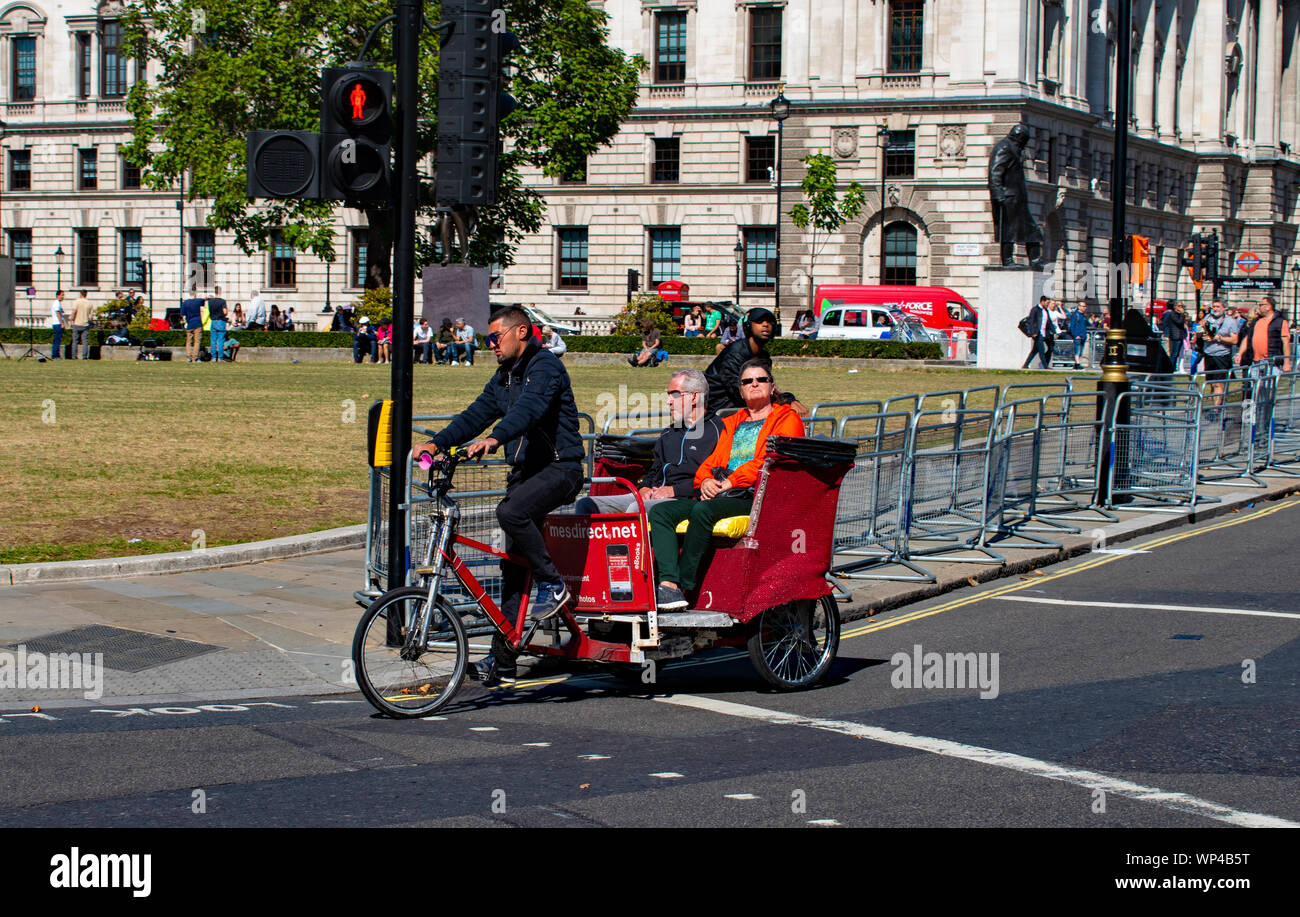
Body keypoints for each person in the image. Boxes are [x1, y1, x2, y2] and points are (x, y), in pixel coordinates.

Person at [415, 306, 585, 685]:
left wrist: (494, 439)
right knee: (512, 566)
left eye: (495, 337)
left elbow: (528, 411)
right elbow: (477, 413)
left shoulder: (545, 368)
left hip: (561, 468)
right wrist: (437, 442)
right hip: (526, 473)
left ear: (520, 331)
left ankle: (553, 585)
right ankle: (502, 659)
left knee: (510, 513)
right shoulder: (504, 376)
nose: (489, 345)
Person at [648, 360, 805, 609]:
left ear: (772, 387)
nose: (754, 384)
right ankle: (668, 585)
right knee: (661, 512)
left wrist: (730, 481)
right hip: (724, 494)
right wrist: (706, 480)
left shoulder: (787, 419)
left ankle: (686, 585)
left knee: (703, 510)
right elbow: (713, 459)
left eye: (761, 379)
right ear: (741, 391)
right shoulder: (733, 421)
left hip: (755, 495)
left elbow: (768, 462)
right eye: (747, 381)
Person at [579, 370, 724, 516]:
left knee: (636, 510)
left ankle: (632, 539)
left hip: (684, 499)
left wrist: (673, 490)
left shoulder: (719, 431)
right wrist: (644, 488)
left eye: (674, 394)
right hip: (654, 495)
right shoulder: (669, 433)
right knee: (587, 504)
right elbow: (654, 470)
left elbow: (717, 478)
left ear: (694, 397)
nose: (668, 401)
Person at [703, 306, 804, 414]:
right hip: (717, 411)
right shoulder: (735, 353)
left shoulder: (764, 358)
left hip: (740, 408)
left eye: (770, 322)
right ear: (748, 325)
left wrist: (790, 400)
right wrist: (786, 400)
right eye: (760, 322)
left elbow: (768, 389)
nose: (765, 325)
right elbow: (743, 393)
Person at [1235, 294, 1292, 374]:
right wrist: (1239, 354)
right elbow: (1247, 338)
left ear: (1268, 307)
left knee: (1269, 385)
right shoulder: (1256, 321)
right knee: (1255, 385)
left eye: (1261, 305)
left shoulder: (1280, 322)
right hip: (1255, 362)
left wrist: (1286, 363)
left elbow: (1286, 343)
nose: (1259, 307)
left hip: (1271, 362)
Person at [1201, 299, 1241, 405]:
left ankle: (1216, 409)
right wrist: (1201, 333)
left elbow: (1235, 340)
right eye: (1213, 306)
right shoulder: (1208, 318)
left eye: (1218, 307)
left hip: (1222, 355)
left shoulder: (1230, 321)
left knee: (1218, 384)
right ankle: (1216, 404)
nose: (1215, 309)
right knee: (1211, 383)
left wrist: (1218, 338)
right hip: (1209, 354)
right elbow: (1201, 333)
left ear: (1224, 308)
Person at [1021, 295, 1053, 370]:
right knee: (1041, 349)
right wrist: (1033, 332)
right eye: (1047, 303)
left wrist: (1054, 331)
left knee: (1035, 350)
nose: (1047, 305)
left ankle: (1025, 365)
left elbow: (1049, 322)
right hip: (1037, 333)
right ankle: (1045, 366)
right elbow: (1031, 321)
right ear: (1042, 301)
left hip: (1043, 333)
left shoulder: (1045, 311)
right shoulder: (1035, 310)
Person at [1161, 301, 1188, 371]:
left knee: (1178, 354)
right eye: (1179, 306)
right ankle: (1171, 368)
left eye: (1182, 306)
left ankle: (1174, 367)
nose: (1181, 308)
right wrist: (1182, 314)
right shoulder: (1172, 314)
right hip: (1175, 336)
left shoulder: (1179, 314)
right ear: (1175, 307)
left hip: (1180, 336)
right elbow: (1179, 322)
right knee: (1174, 353)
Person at [180, 292, 205, 362]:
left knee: (188, 342)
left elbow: (182, 314)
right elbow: (203, 301)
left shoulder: (185, 303)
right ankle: (195, 357)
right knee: (197, 342)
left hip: (189, 324)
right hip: (197, 323)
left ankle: (188, 357)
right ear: (195, 294)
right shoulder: (198, 301)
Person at [208, 286, 229, 365]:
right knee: (220, 340)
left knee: (213, 340)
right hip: (220, 321)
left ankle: (213, 357)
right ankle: (220, 357)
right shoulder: (222, 301)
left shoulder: (210, 301)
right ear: (220, 292)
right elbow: (225, 312)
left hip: (213, 321)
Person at [1067, 301, 1090, 369]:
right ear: (1079, 307)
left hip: (1083, 336)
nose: (1085, 308)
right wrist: (1075, 335)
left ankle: (1077, 364)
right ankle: (1077, 364)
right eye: (1083, 306)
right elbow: (1072, 326)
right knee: (1077, 350)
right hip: (1077, 336)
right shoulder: (1075, 315)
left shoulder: (1084, 316)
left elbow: (1086, 325)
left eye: (1085, 306)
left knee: (1081, 351)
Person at [50, 291, 66, 359]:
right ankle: (55, 355)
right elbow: (57, 313)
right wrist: (62, 323)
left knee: (58, 339)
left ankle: (56, 354)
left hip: (57, 323)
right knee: (57, 340)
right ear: (58, 295)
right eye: (62, 295)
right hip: (57, 323)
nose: (63, 297)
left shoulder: (58, 303)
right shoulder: (56, 303)